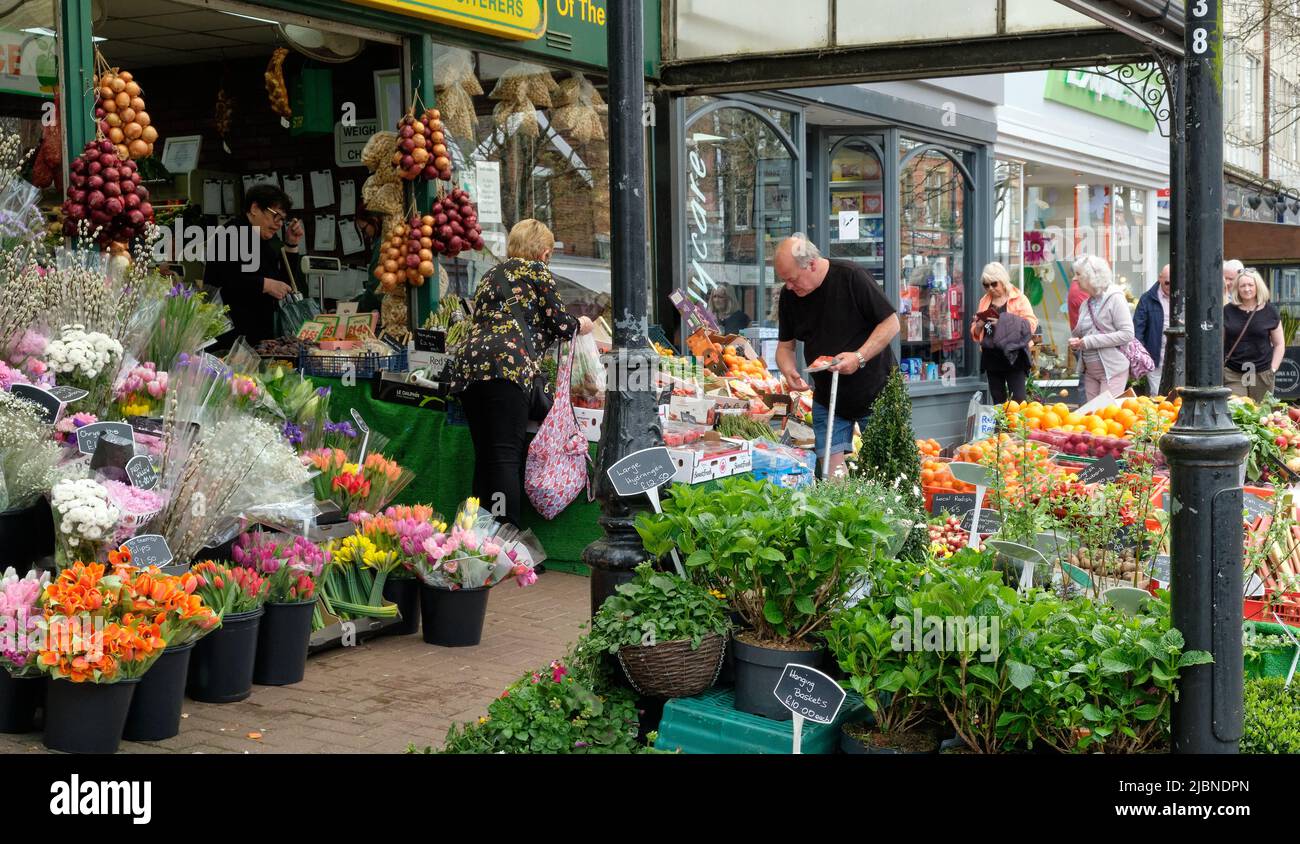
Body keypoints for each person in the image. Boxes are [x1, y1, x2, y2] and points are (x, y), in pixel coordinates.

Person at [448, 219, 593, 527]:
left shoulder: (491, 275)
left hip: (469, 368)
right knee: (504, 457)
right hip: (507, 368)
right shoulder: (537, 271)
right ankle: (508, 541)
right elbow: (562, 324)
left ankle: (478, 537)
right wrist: (584, 323)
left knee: (486, 458)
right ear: (544, 251)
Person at [773, 233, 899, 478]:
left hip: (876, 392)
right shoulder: (789, 296)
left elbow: (891, 323)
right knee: (832, 477)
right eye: (784, 280)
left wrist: (859, 357)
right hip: (827, 398)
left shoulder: (851, 276)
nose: (789, 286)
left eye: (792, 279)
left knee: (885, 474)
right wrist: (788, 369)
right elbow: (785, 347)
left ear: (811, 264)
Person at [204, 184, 303, 349]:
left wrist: (291, 245)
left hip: (260, 338)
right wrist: (266, 284)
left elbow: (283, 284)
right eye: (275, 216)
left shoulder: (265, 240)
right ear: (255, 208)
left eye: (282, 219)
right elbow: (227, 282)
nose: (279, 224)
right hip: (232, 340)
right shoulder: (230, 233)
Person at [1069, 255, 1135, 401]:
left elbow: (1127, 334)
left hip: (1112, 370)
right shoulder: (1086, 304)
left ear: (1091, 276)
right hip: (1090, 372)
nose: (1074, 279)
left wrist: (1089, 341)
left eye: (1078, 274)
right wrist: (1076, 343)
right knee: (1091, 416)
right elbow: (1083, 336)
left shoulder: (1115, 298)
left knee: (1106, 416)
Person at [970, 261, 1037, 404]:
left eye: (994, 284)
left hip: (1014, 355)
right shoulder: (984, 301)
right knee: (998, 402)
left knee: (1018, 401)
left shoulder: (1019, 299)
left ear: (1002, 281)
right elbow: (976, 333)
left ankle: (1017, 427)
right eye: (986, 285)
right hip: (991, 356)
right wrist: (978, 325)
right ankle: (1000, 428)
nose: (990, 288)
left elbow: (1031, 325)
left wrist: (1003, 322)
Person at [1224, 269, 1284, 402]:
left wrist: (1273, 369)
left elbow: (1279, 344)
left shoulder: (1270, 311)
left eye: (1250, 285)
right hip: (1233, 372)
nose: (1247, 289)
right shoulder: (1227, 311)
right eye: (1242, 286)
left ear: (1258, 286)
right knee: (1236, 411)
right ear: (1237, 288)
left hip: (1262, 373)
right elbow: (1219, 343)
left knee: (1261, 414)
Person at [1134, 264, 1171, 395]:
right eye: (1167, 283)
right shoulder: (1147, 298)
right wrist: (1144, 355)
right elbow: (1138, 330)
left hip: (1180, 359)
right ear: (1160, 278)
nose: (1171, 286)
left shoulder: (1184, 297)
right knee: (1157, 397)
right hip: (1155, 358)